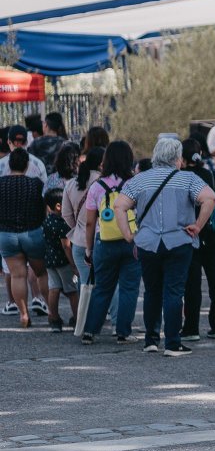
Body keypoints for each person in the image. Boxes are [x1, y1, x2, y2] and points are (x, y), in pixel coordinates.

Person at [113, 137, 215, 357]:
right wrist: (197, 226)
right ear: (178, 158)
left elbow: (119, 206)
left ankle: (150, 339)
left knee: (151, 291)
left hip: (147, 243)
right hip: (178, 242)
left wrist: (128, 235)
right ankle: (172, 342)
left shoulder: (139, 180)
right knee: (174, 292)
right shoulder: (188, 179)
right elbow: (210, 198)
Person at [81, 142, 140, 344]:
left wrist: (89, 249)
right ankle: (123, 332)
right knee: (129, 288)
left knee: (102, 288)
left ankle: (90, 331)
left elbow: (90, 222)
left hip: (104, 242)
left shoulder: (97, 187)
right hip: (131, 240)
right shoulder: (134, 183)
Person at [180, 139, 215, 342]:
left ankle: (191, 328)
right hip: (213, 233)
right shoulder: (212, 175)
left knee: (191, 282)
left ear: (182, 158)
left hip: (190, 232)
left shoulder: (181, 178)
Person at [0, 148, 49, 328]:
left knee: (17, 275)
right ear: (27, 165)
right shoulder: (36, 184)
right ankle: (51, 311)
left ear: (9, 164)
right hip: (32, 233)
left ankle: (24, 315)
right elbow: (43, 209)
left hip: (6, 235)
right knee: (41, 273)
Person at [65, 147, 104, 309]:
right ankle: (104, 316)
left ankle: (85, 318)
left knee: (84, 282)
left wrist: (78, 228)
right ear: (102, 163)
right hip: (104, 238)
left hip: (80, 241)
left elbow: (66, 215)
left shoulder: (71, 184)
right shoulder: (106, 182)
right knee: (105, 282)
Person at [41, 188, 78, 332]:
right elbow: (66, 246)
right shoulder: (63, 223)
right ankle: (77, 318)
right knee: (72, 290)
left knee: (54, 289)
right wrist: (73, 264)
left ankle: (54, 319)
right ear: (58, 206)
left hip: (50, 260)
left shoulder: (48, 220)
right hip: (63, 261)